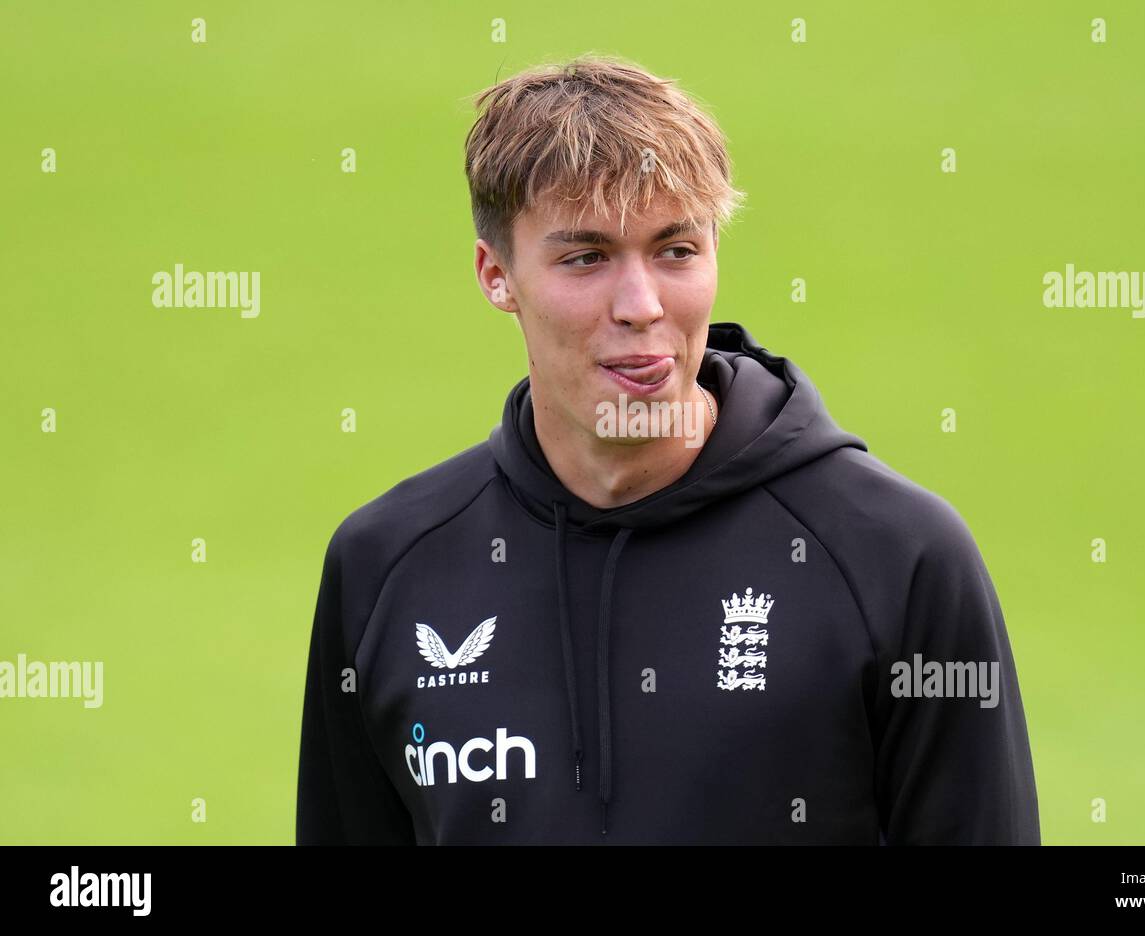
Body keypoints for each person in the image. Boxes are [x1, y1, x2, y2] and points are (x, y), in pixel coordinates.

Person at [295, 54, 1040, 845]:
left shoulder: (897, 556)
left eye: (676, 250)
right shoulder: (386, 566)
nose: (642, 306)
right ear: (496, 275)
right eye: (586, 257)